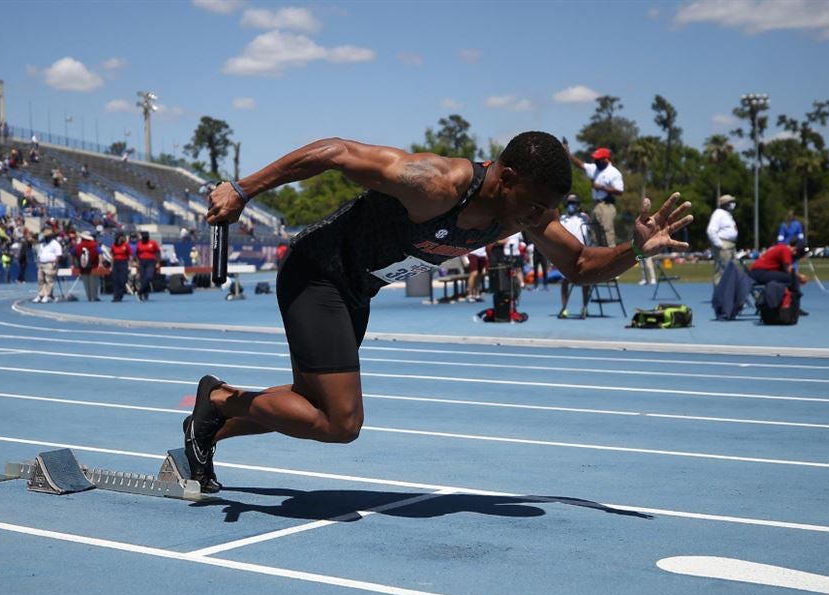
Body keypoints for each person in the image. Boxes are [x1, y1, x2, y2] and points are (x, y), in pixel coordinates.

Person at [181, 132, 693, 492]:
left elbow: (579, 264)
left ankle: (208, 429)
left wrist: (636, 250)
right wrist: (243, 189)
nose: (538, 221)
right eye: (534, 208)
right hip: (318, 273)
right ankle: (218, 399)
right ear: (506, 176)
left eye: (546, 212)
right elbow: (334, 152)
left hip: (356, 290)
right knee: (341, 421)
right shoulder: (436, 183)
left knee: (312, 407)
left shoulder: (523, 211)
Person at [562, 140, 623, 248]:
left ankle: (612, 257)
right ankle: (600, 257)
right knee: (595, 233)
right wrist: (568, 153)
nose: (595, 162)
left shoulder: (614, 172)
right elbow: (580, 164)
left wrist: (602, 188)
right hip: (595, 204)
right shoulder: (595, 169)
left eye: (598, 160)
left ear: (606, 159)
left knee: (607, 232)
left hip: (606, 205)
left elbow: (619, 191)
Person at [749, 238, 810, 316]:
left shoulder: (781, 247)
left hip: (757, 273)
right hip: (761, 273)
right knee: (792, 278)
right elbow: (788, 269)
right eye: (799, 253)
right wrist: (800, 277)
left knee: (789, 277)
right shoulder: (785, 250)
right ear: (795, 249)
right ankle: (794, 305)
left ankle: (788, 303)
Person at [557, 194, 593, 318]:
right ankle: (564, 307)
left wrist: (588, 218)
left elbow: (591, 227)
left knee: (586, 281)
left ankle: (585, 307)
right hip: (567, 254)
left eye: (575, 203)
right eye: (570, 203)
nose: (572, 206)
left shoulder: (583, 218)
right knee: (565, 281)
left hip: (583, 252)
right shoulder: (562, 219)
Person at [707, 194, 739, 287]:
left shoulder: (728, 215)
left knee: (731, 271)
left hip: (731, 245)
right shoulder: (718, 214)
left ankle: (727, 294)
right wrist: (719, 244)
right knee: (721, 271)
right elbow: (711, 230)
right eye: (731, 202)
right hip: (724, 245)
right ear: (725, 204)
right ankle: (719, 295)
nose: (733, 204)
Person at [33, 230, 62, 303]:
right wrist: (39, 261)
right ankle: (41, 294)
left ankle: (47, 295)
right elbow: (40, 253)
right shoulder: (43, 244)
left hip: (50, 264)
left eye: (46, 236)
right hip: (42, 264)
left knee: (49, 280)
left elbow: (59, 254)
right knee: (40, 280)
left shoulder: (55, 244)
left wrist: (55, 263)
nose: (45, 238)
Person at [74, 231, 101, 302]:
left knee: (86, 283)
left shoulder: (78, 246)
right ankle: (94, 296)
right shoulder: (95, 245)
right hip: (94, 266)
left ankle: (89, 296)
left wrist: (74, 263)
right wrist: (100, 263)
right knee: (94, 282)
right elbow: (100, 253)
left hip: (83, 267)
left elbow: (72, 253)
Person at [135, 231, 160, 301]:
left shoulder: (153, 243)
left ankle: (139, 291)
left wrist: (158, 262)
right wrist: (137, 262)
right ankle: (144, 294)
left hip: (151, 262)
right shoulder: (139, 244)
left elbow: (158, 252)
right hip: (142, 262)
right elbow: (137, 254)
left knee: (149, 276)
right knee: (142, 279)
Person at [110, 234, 131, 301]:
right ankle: (116, 296)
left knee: (122, 280)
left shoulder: (126, 245)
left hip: (123, 263)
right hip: (116, 263)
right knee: (116, 280)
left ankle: (120, 294)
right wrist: (111, 266)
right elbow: (112, 256)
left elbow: (129, 255)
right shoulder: (113, 246)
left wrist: (129, 264)